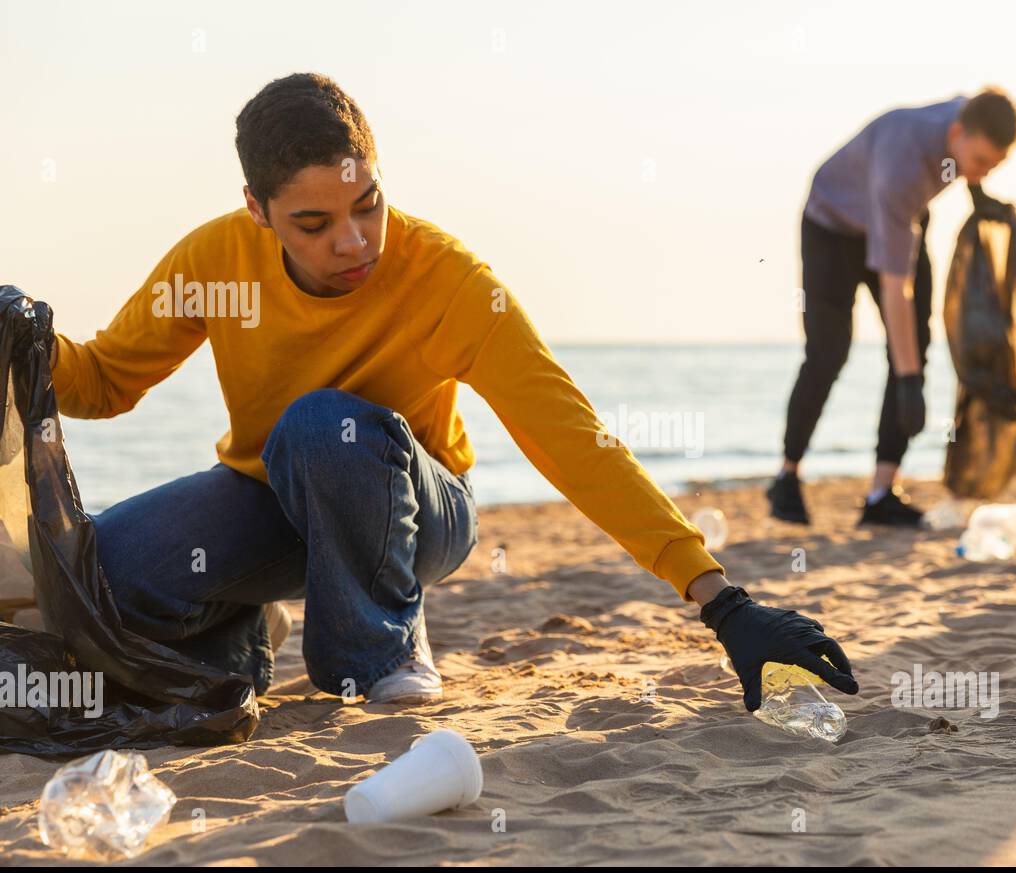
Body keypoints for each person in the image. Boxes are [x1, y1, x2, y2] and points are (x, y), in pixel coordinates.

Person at [40, 73, 858, 712]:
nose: (353, 241)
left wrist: (723, 602)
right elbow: (104, 383)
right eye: (313, 224)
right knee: (106, 572)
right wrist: (25, 339)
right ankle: (250, 628)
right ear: (257, 209)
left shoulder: (448, 280)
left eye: (368, 206)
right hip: (276, 499)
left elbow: (568, 435)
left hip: (420, 510)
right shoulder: (214, 260)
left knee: (326, 426)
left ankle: (381, 643)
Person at [767, 89, 1016, 527]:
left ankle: (882, 493)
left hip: (903, 219)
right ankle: (787, 475)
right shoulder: (902, 168)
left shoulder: (969, 118)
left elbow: (968, 157)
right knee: (829, 352)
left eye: (991, 166)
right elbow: (895, 290)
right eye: (978, 161)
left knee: (914, 346)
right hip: (833, 225)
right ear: (957, 133)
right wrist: (907, 382)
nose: (979, 172)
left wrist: (978, 191)